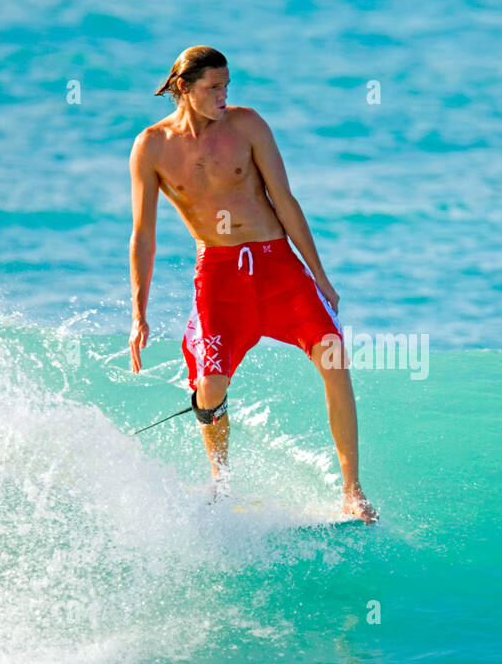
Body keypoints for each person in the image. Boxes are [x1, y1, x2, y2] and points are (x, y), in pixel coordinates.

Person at [128, 46, 378, 524]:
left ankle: (352, 491)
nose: (223, 96)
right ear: (184, 88)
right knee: (209, 385)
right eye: (212, 88)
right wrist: (139, 313)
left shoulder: (247, 126)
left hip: (276, 266)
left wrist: (319, 273)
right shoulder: (152, 147)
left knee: (334, 358)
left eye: (227, 86)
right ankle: (221, 485)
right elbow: (143, 236)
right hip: (218, 277)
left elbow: (284, 199)